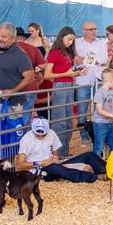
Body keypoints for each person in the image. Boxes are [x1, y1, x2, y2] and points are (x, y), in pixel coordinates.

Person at [16, 116, 105, 183]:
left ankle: (109, 170)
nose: (40, 136)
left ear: (48, 129)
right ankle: (95, 177)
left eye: (43, 134)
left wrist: (55, 157)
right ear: (33, 130)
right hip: (39, 171)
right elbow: (20, 165)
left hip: (53, 164)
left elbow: (55, 153)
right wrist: (41, 163)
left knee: (89, 155)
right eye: (37, 134)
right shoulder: (27, 139)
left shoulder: (51, 133)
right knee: (56, 168)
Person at [42, 26, 81, 158]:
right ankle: (58, 154)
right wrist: (67, 73)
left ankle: (65, 151)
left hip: (69, 85)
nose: (70, 42)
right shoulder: (55, 53)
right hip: (59, 87)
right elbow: (47, 75)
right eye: (69, 39)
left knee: (69, 121)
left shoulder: (68, 53)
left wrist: (77, 72)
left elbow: (67, 72)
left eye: (72, 40)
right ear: (62, 37)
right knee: (60, 121)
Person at [73, 20, 108, 145]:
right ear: (84, 31)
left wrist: (84, 59)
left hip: (98, 79)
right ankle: (84, 135)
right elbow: (76, 61)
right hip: (82, 80)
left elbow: (103, 60)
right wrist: (92, 60)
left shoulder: (102, 43)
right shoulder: (76, 43)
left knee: (99, 108)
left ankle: (98, 135)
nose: (94, 31)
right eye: (91, 29)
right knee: (82, 109)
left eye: (95, 29)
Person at [15, 26, 45, 112]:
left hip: (12, 88)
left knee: (12, 116)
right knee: (26, 114)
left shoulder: (7, 50)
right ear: (24, 38)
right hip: (29, 87)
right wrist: (35, 69)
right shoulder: (33, 49)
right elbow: (43, 66)